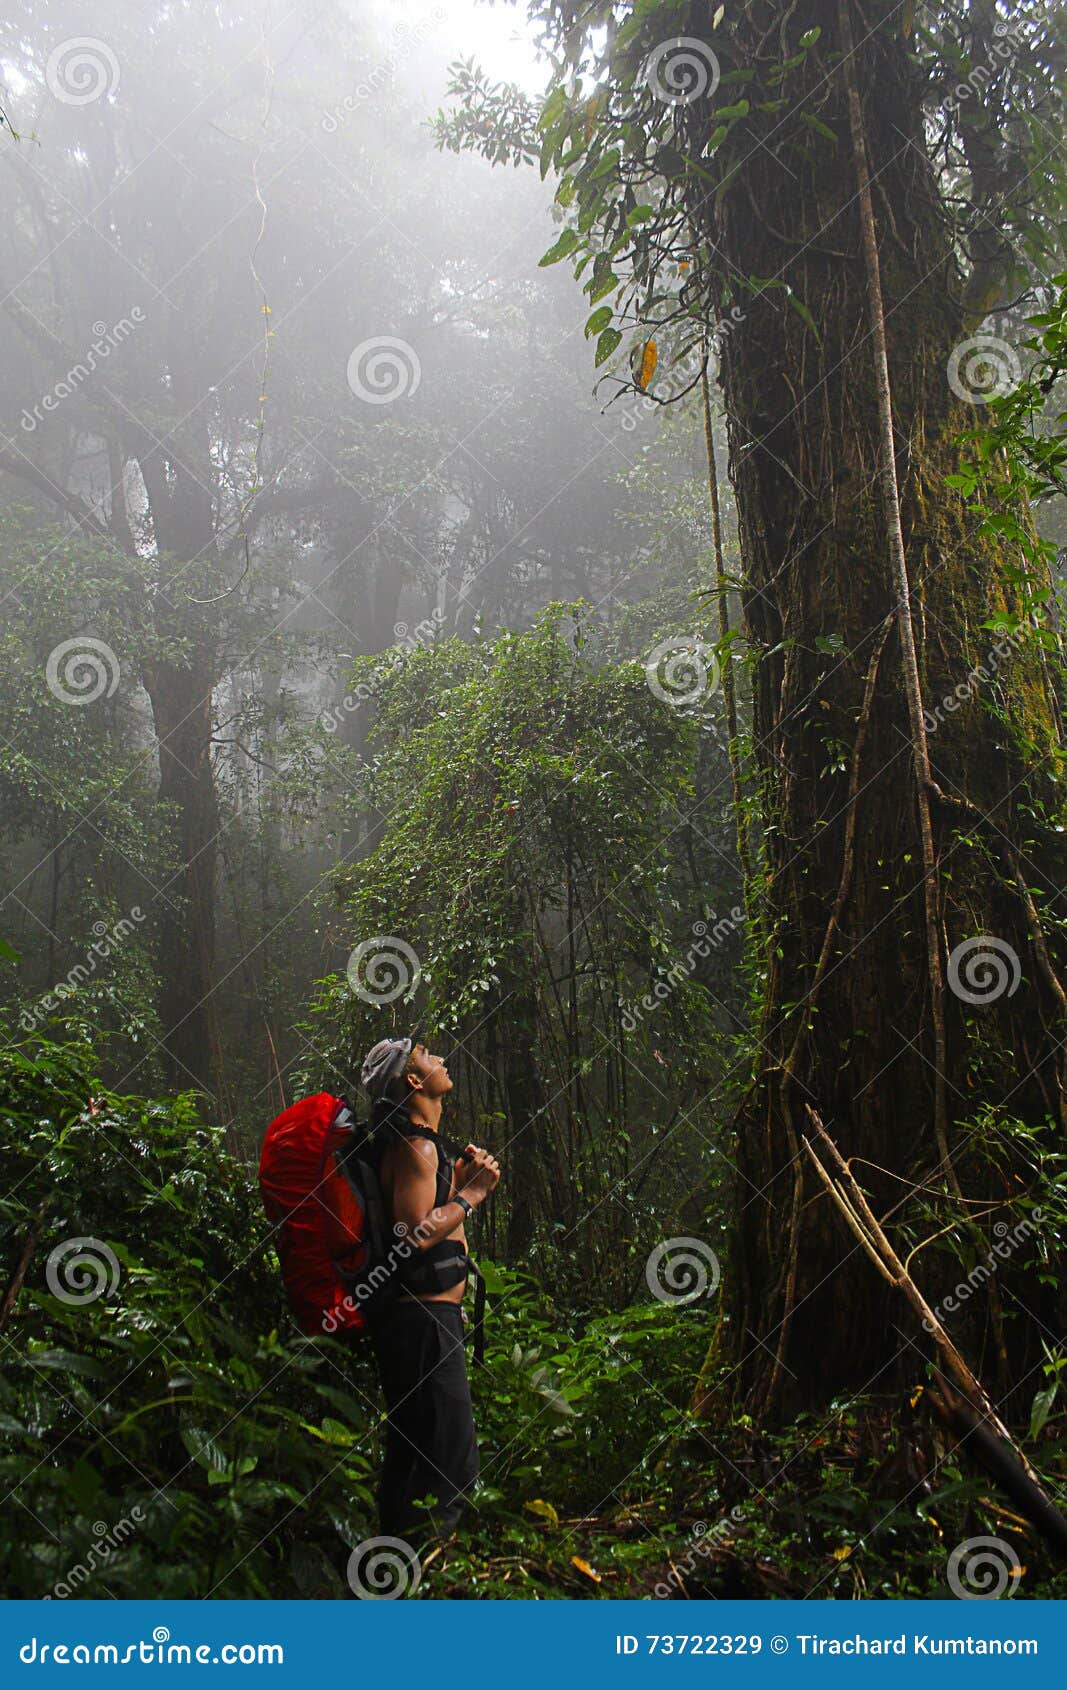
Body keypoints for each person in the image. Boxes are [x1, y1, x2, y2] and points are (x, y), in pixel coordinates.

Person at [358, 1030, 501, 1543]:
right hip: (424, 1326)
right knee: (449, 1465)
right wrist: (471, 1196)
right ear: (415, 1080)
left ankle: (385, 1581)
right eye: (427, 1055)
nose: (440, 1058)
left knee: (411, 1459)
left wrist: (459, 1190)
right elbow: (411, 1233)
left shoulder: (417, 1144)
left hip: (418, 1323)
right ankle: (433, 1585)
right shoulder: (416, 1145)